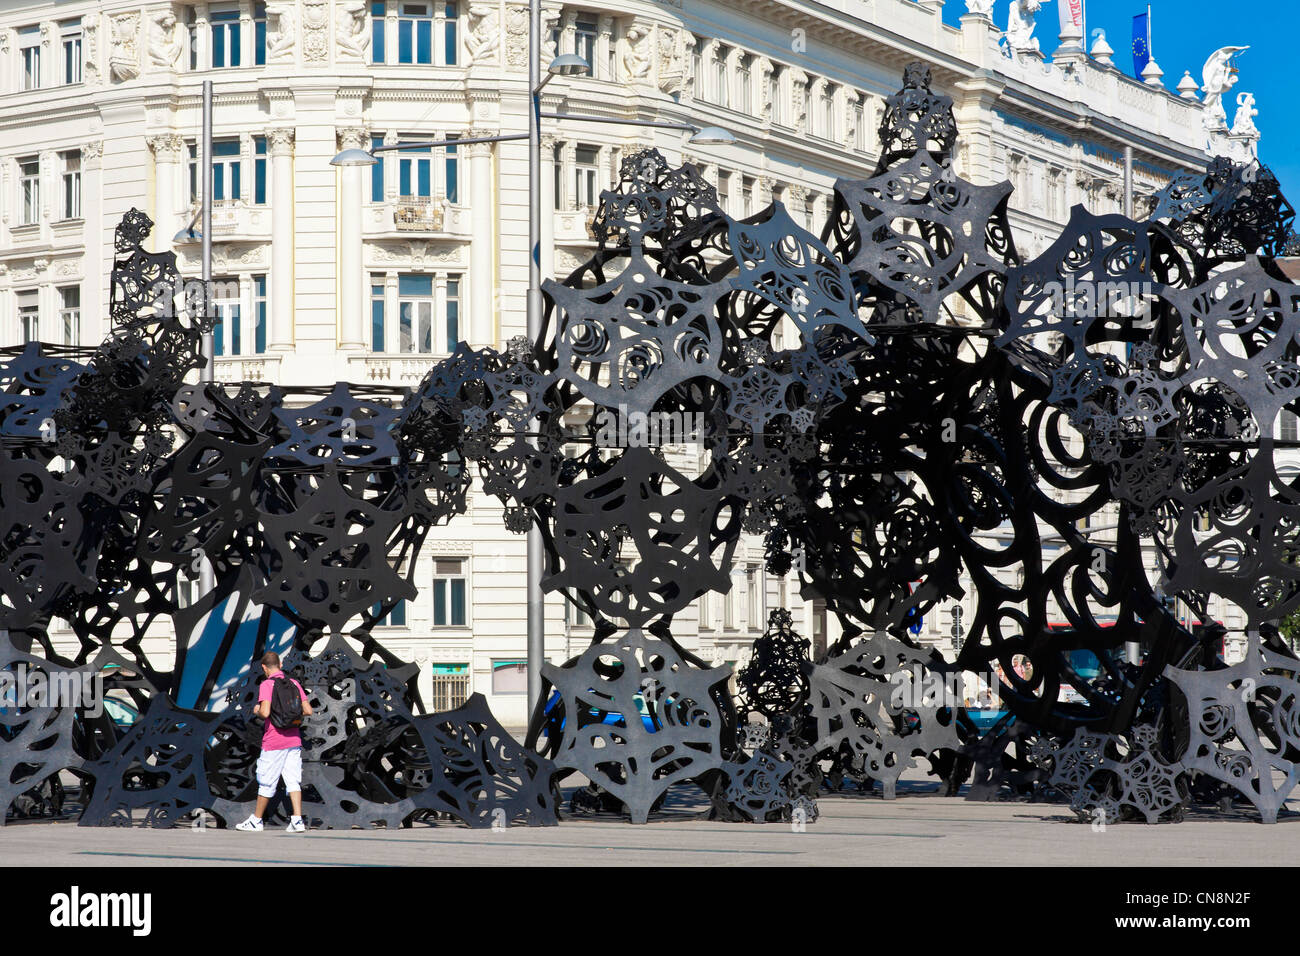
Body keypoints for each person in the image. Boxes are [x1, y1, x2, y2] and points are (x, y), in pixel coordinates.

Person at [236, 652, 313, 833]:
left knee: (267, 781)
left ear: (264, 668)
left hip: (274, 740)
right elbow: (308, 710)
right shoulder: (294, 683)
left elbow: (264, 712)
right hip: (293, 739)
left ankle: (256, 820)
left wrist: (256, 709)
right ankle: (297, 820)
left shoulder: (267, 684)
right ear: (280, 664)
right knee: (293, 780)